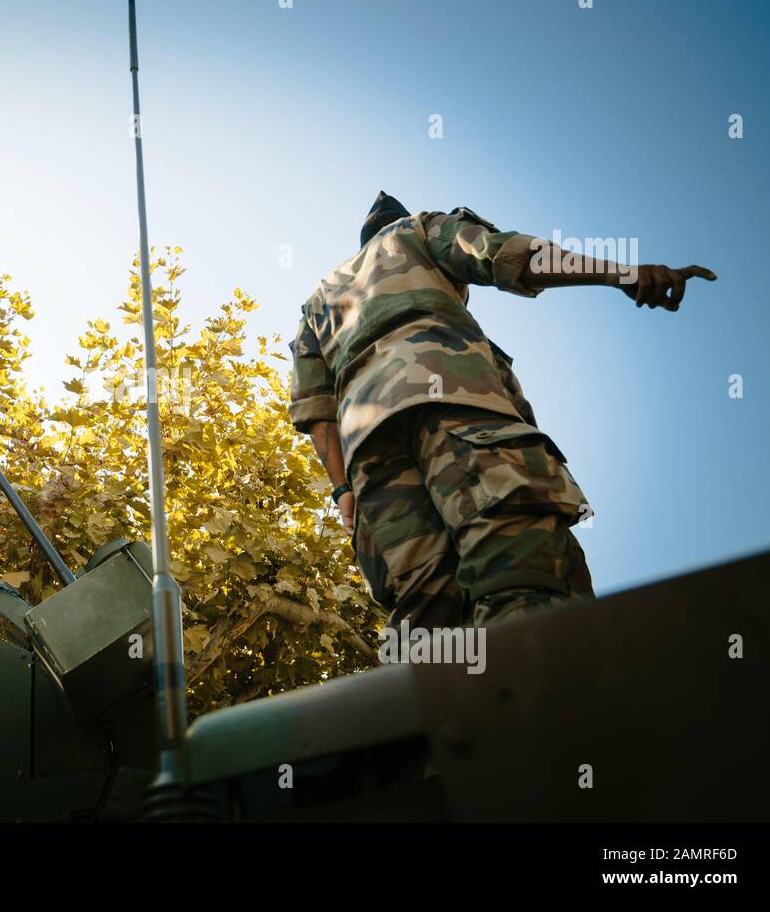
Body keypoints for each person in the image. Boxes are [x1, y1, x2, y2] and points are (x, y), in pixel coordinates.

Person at [289, 192, 716, 628]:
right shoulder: (418, 230)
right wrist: (621, 273)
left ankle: (442, 695)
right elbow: (506, 255)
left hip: (371, 458)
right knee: (519, 566)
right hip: (456, 405)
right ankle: (532, 689)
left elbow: (317, 413)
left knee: (426, 615)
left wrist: (345, 492)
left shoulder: (317, 303)